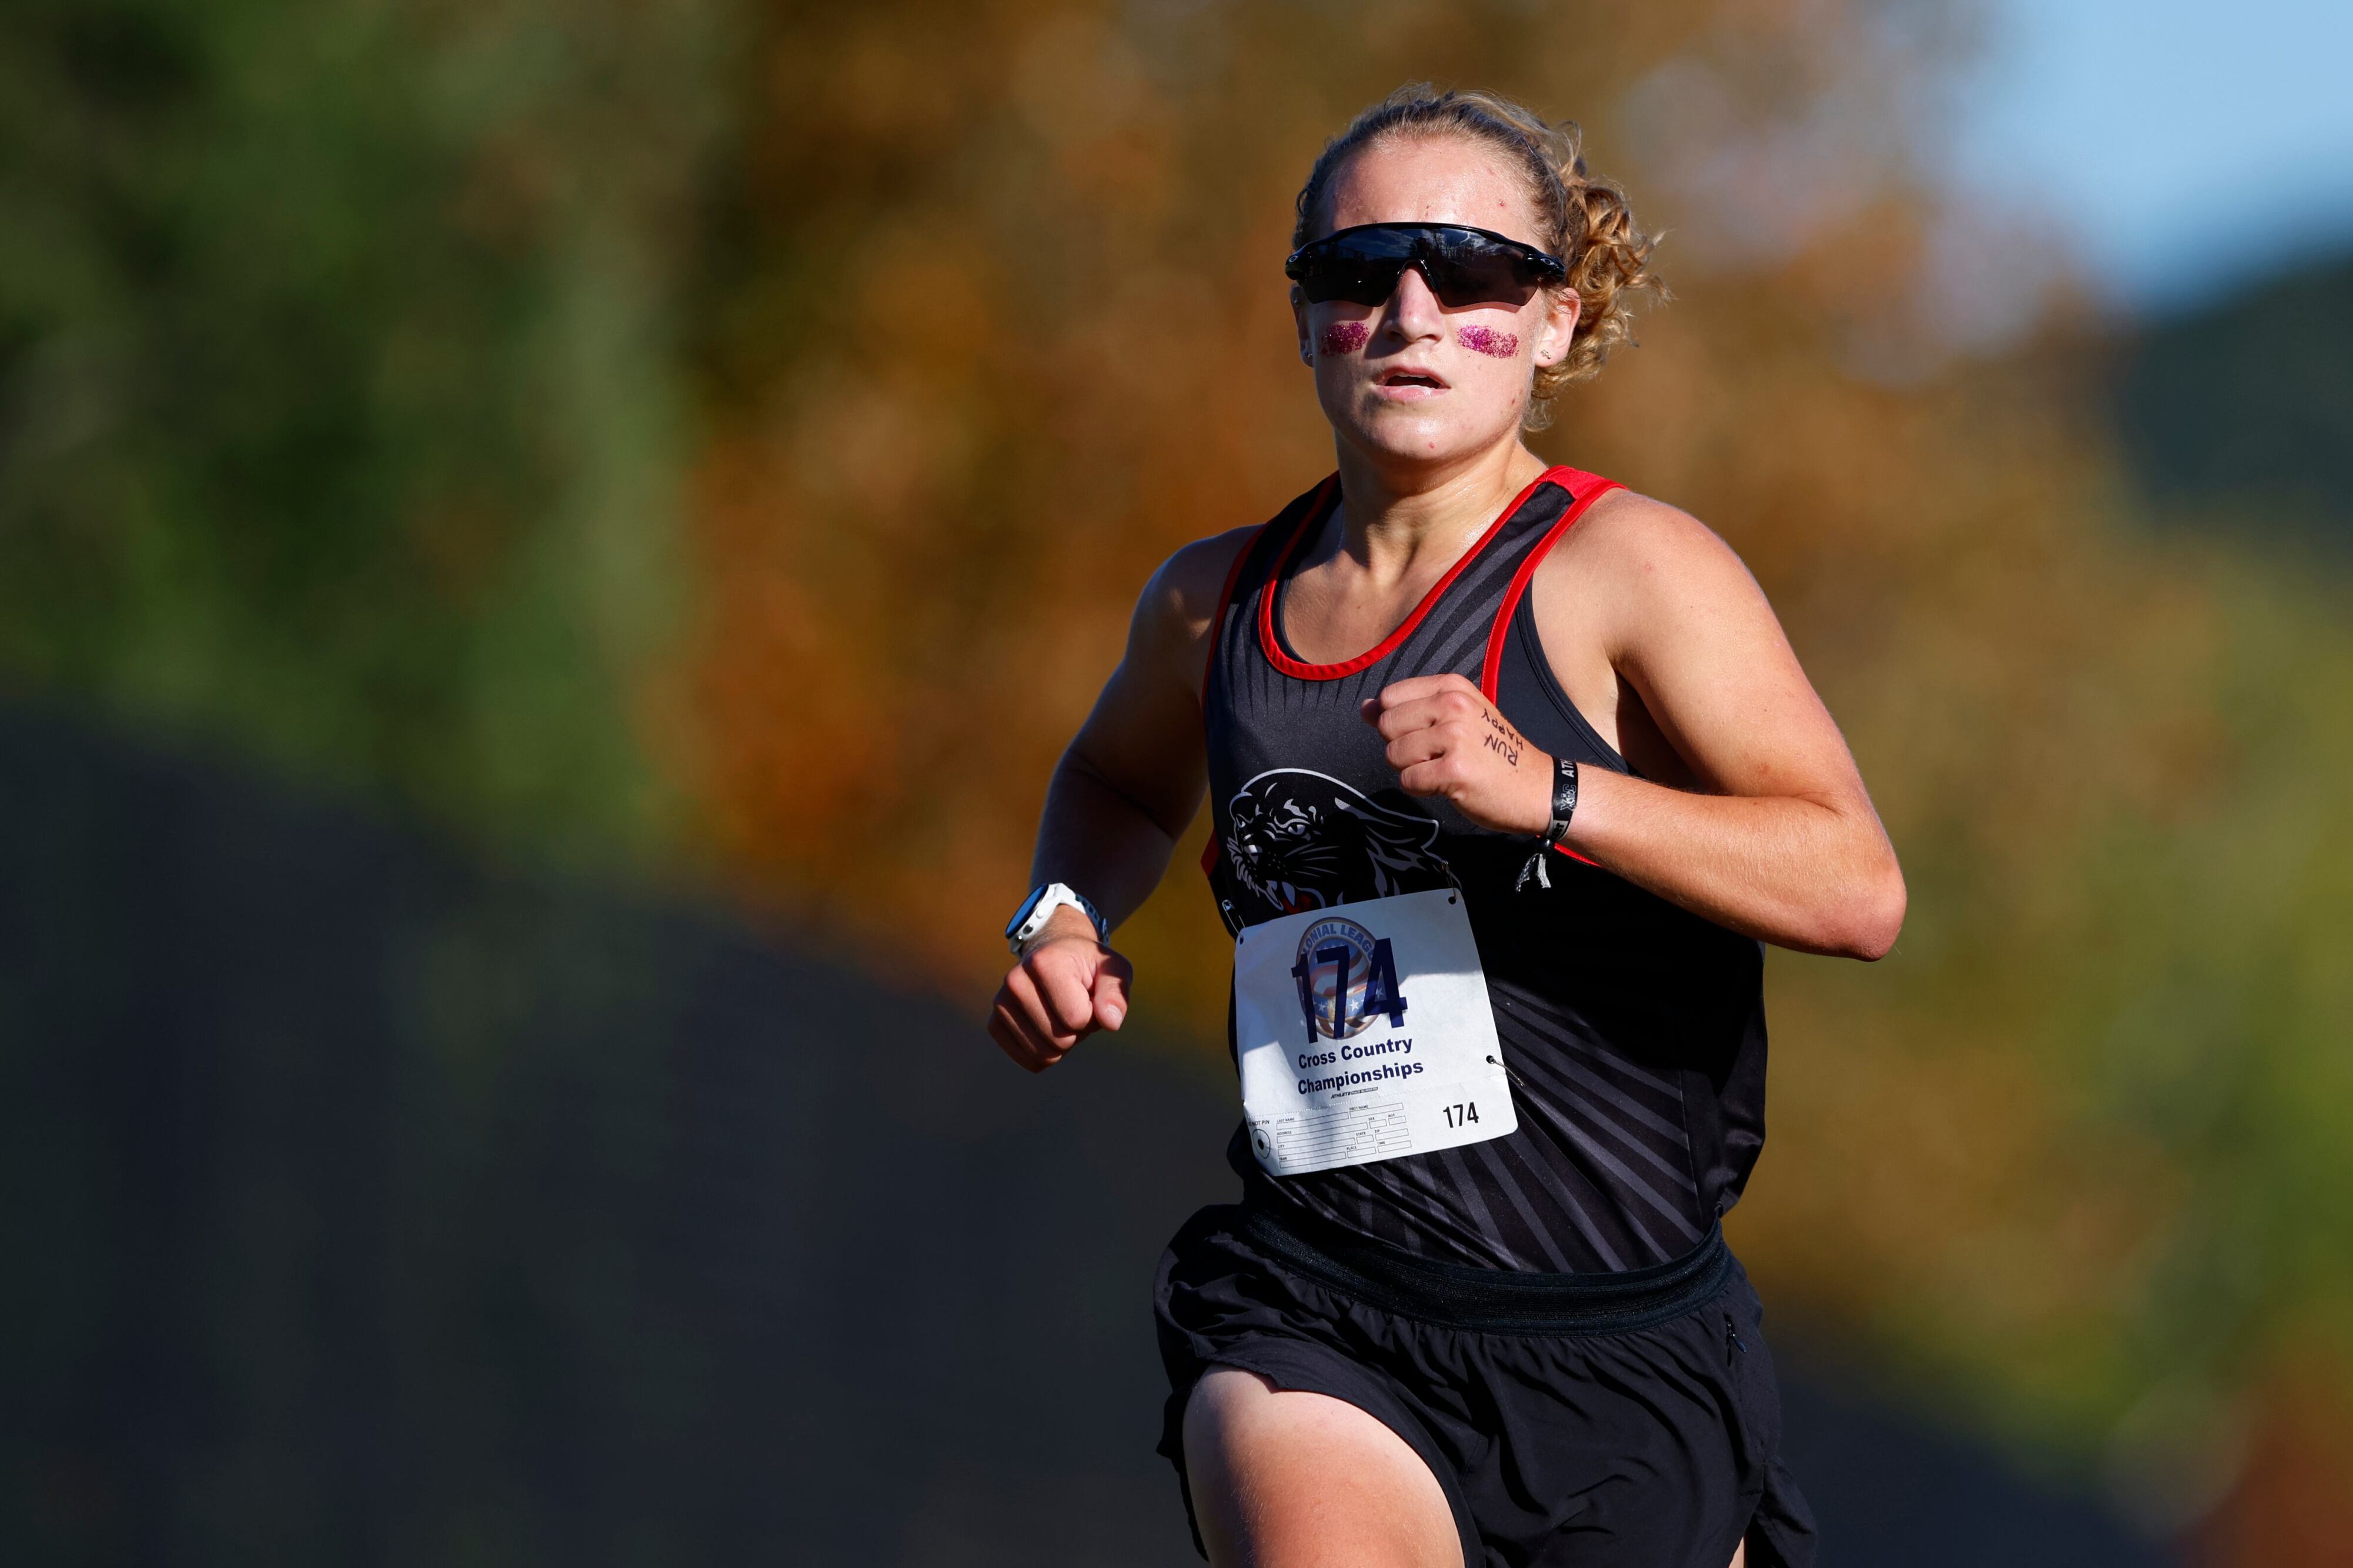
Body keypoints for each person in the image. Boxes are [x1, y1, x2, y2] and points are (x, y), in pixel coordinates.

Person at [986, 85, 1904, 1568]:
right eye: (1359, 274)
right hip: (1318, 1302)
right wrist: (1061, 917)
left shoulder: (1626, 570)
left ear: (1551, 320)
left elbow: (1856, 887)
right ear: (1303, 319)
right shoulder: (1211, 603)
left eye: (1467, 272)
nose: (1411, 310)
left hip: (1623, 1349)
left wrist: (1547, 790)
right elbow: (1109, 784)